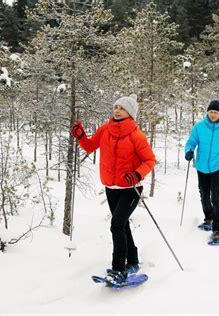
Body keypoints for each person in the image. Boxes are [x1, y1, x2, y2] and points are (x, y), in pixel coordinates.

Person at [71, 94, 156, 287]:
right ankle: (132, 260)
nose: (117, 110)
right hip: (111, 187)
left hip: (130, 188)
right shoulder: (105, 129)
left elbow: (149, 160)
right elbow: (90, 147)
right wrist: (81, 136)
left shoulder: (136, 135)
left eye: (122, 108)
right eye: (116, 106)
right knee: (122, 224)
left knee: (117, 224)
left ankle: (118, 269)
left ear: (130, 113)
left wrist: (137, 174)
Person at [184, 100, 219, 244]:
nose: (213, 115)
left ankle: (216, 228)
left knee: (216, 196)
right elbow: (191, 142)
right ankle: (208, 217)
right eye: (211, 112)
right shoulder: (199, 127)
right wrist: (189, 151)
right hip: (202, 166)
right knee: (203, 194)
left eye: (215, 112)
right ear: (207, 112)